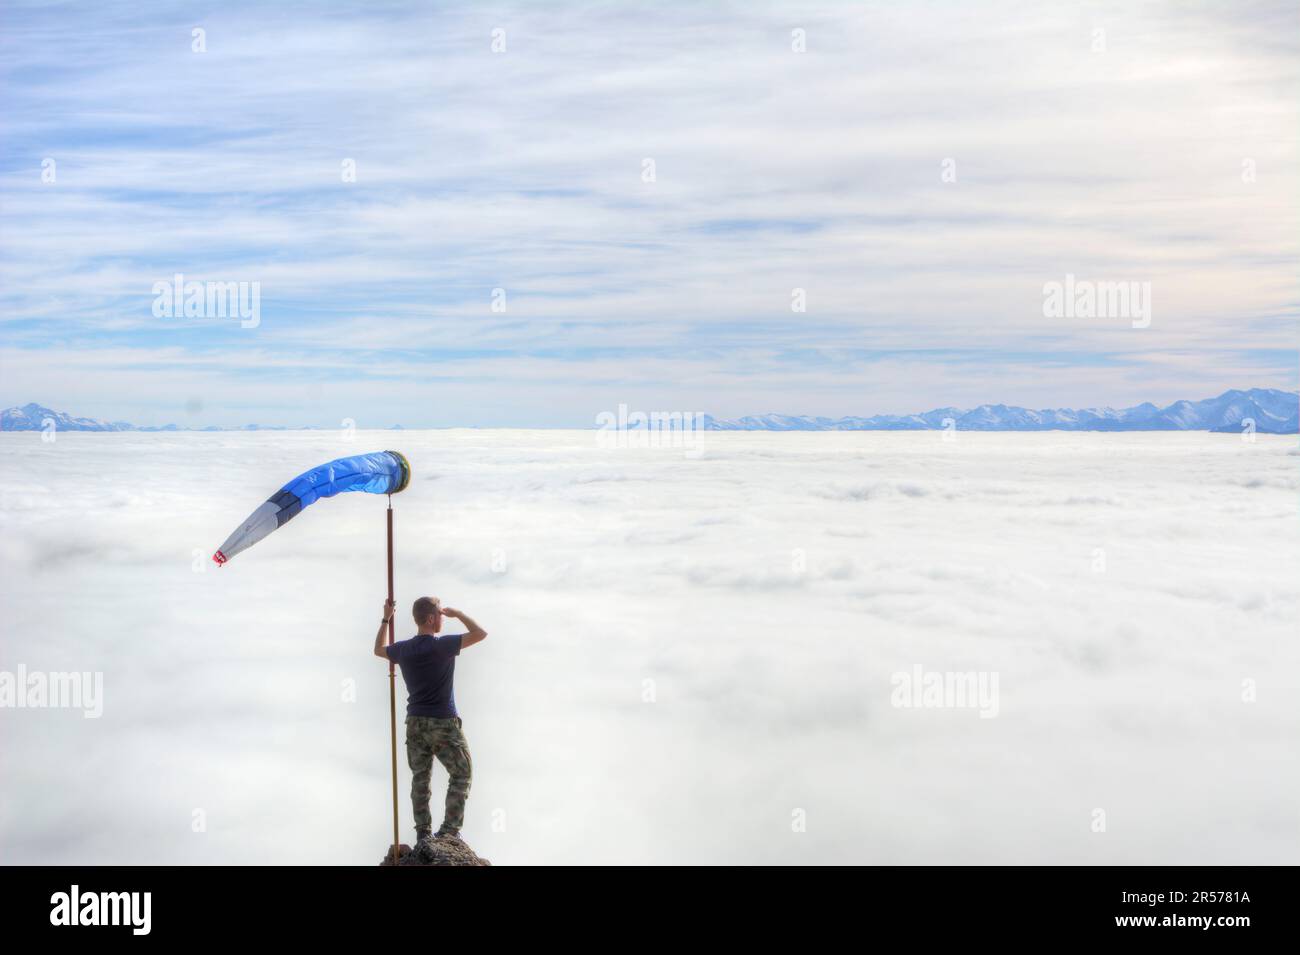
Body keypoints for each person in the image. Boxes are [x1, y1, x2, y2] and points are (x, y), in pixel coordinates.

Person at [373, 595, 487, 854]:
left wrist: (386, 619)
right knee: (462, 773)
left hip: (415, 723)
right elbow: (480, 633)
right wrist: (459, 614)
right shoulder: (443, 646)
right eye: (441, 615)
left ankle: (423, 832)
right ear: (430, 618)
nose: (444, 620)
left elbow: (378, 649)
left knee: (420, 778)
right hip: (443, 723)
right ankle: (448, 831)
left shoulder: (403, 649)